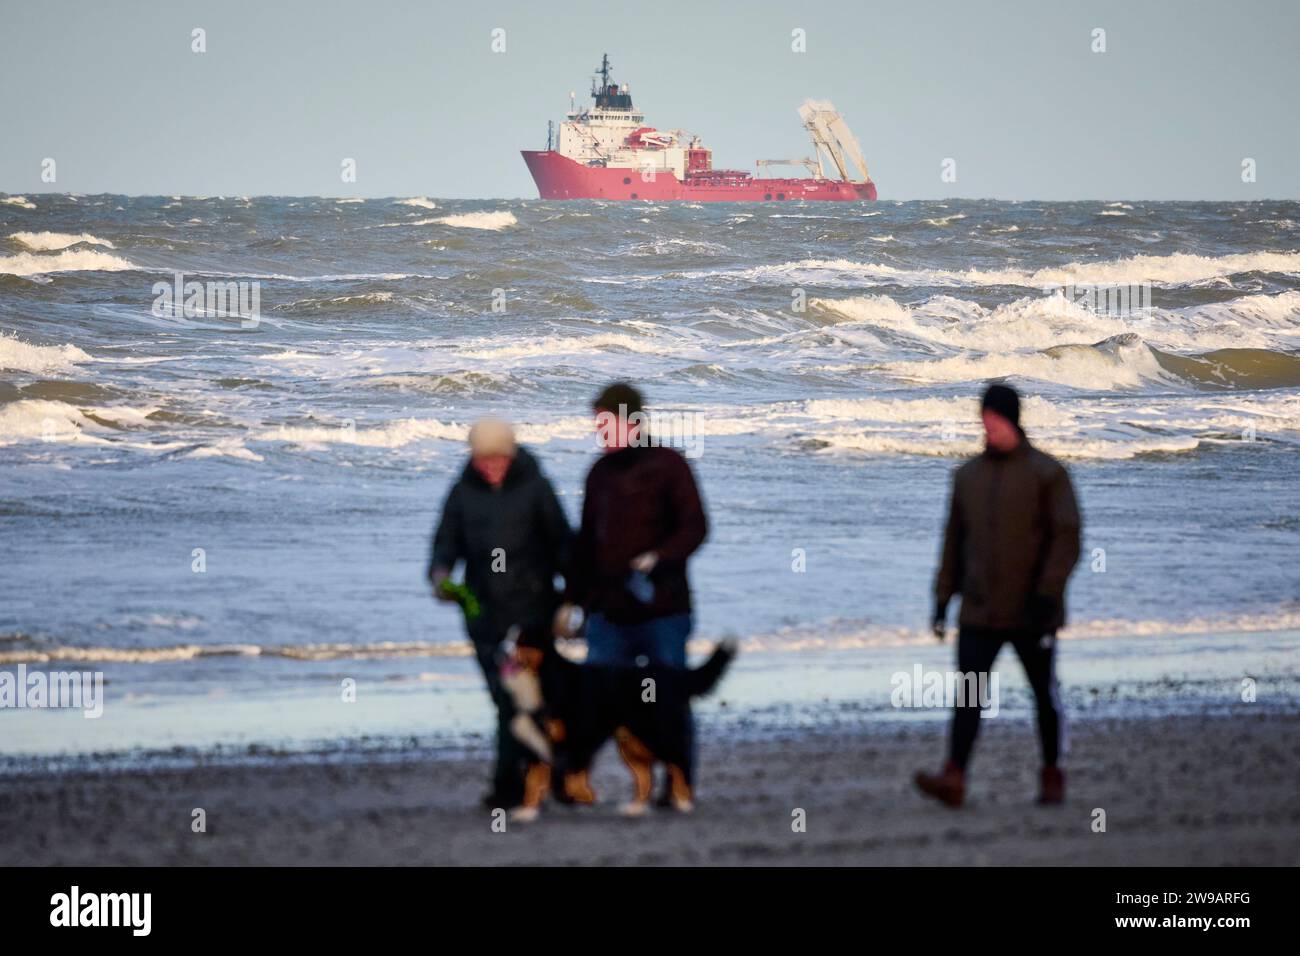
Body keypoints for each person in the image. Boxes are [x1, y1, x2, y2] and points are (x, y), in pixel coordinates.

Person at [915, 383, 1081, 807]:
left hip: (1033, 612)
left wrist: (1048, 593)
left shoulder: (1048, 474)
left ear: (1012, 420)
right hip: (979, 611)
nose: (988, 428)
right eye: (984, 420)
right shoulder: (967, 476)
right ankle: (954, 778)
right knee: (969, 695)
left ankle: (1052, 776)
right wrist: (941, 598)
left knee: (1044, 695)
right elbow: (952, 541)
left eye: (995, 420)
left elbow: (1067, 538)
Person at [429, 417, 571, 809]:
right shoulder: (462, 492)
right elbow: (445, 544)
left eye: (499, 460)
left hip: (532, 616)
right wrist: (440, 577)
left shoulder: (536, 487)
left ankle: (514, 788)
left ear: (512, 455)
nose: (491, 467)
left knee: (526, 703)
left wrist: (575, 599)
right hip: (485, 617)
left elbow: (562, 543)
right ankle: (535, 782)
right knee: (505, 700)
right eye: (484, 460)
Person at [554, 382, 708, 670]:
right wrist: (570, 601)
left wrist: (657, 557)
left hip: (662, 607)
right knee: (600, 703)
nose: (599, 430)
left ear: (631, 422)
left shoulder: (669, 465)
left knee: (666, 705)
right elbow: (586, 543)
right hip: (607, 611)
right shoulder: (599, 473)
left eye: (605, 422)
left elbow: (695, 527)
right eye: (597, 423)